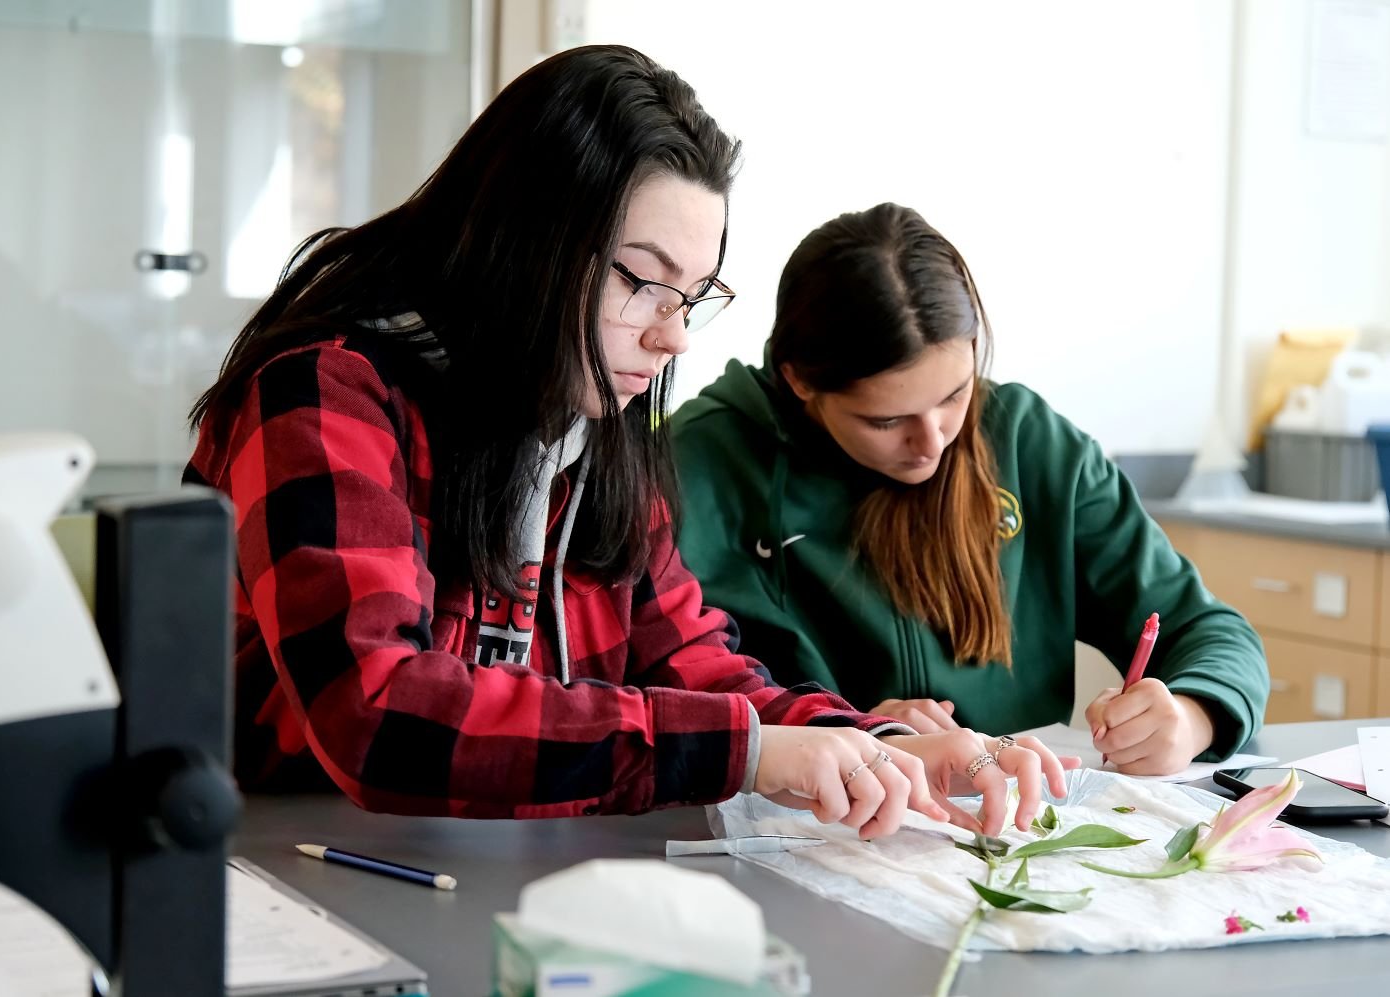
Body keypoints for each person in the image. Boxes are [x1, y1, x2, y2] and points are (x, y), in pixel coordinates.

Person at [185, 49, 1070, 835]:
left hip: (497, 861)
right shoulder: (325, 391)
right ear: (527, 244)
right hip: (283, 866)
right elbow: (378, 713)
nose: (673, 336)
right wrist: (748, 752)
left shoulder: (596, 418)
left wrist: (879, 743)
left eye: (692, 296)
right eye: (644, 282)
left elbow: (698, 663)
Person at [671, 202, 1270, 776]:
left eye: (955, 395)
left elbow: (1209, 631)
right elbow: (656, 691)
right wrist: (839, 727)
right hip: (795, 827)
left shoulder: (1030, 444)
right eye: (886, 421)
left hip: (1017, 822)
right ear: (800, 380)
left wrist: (1192, 717)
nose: (931, 441)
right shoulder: (696, 465)